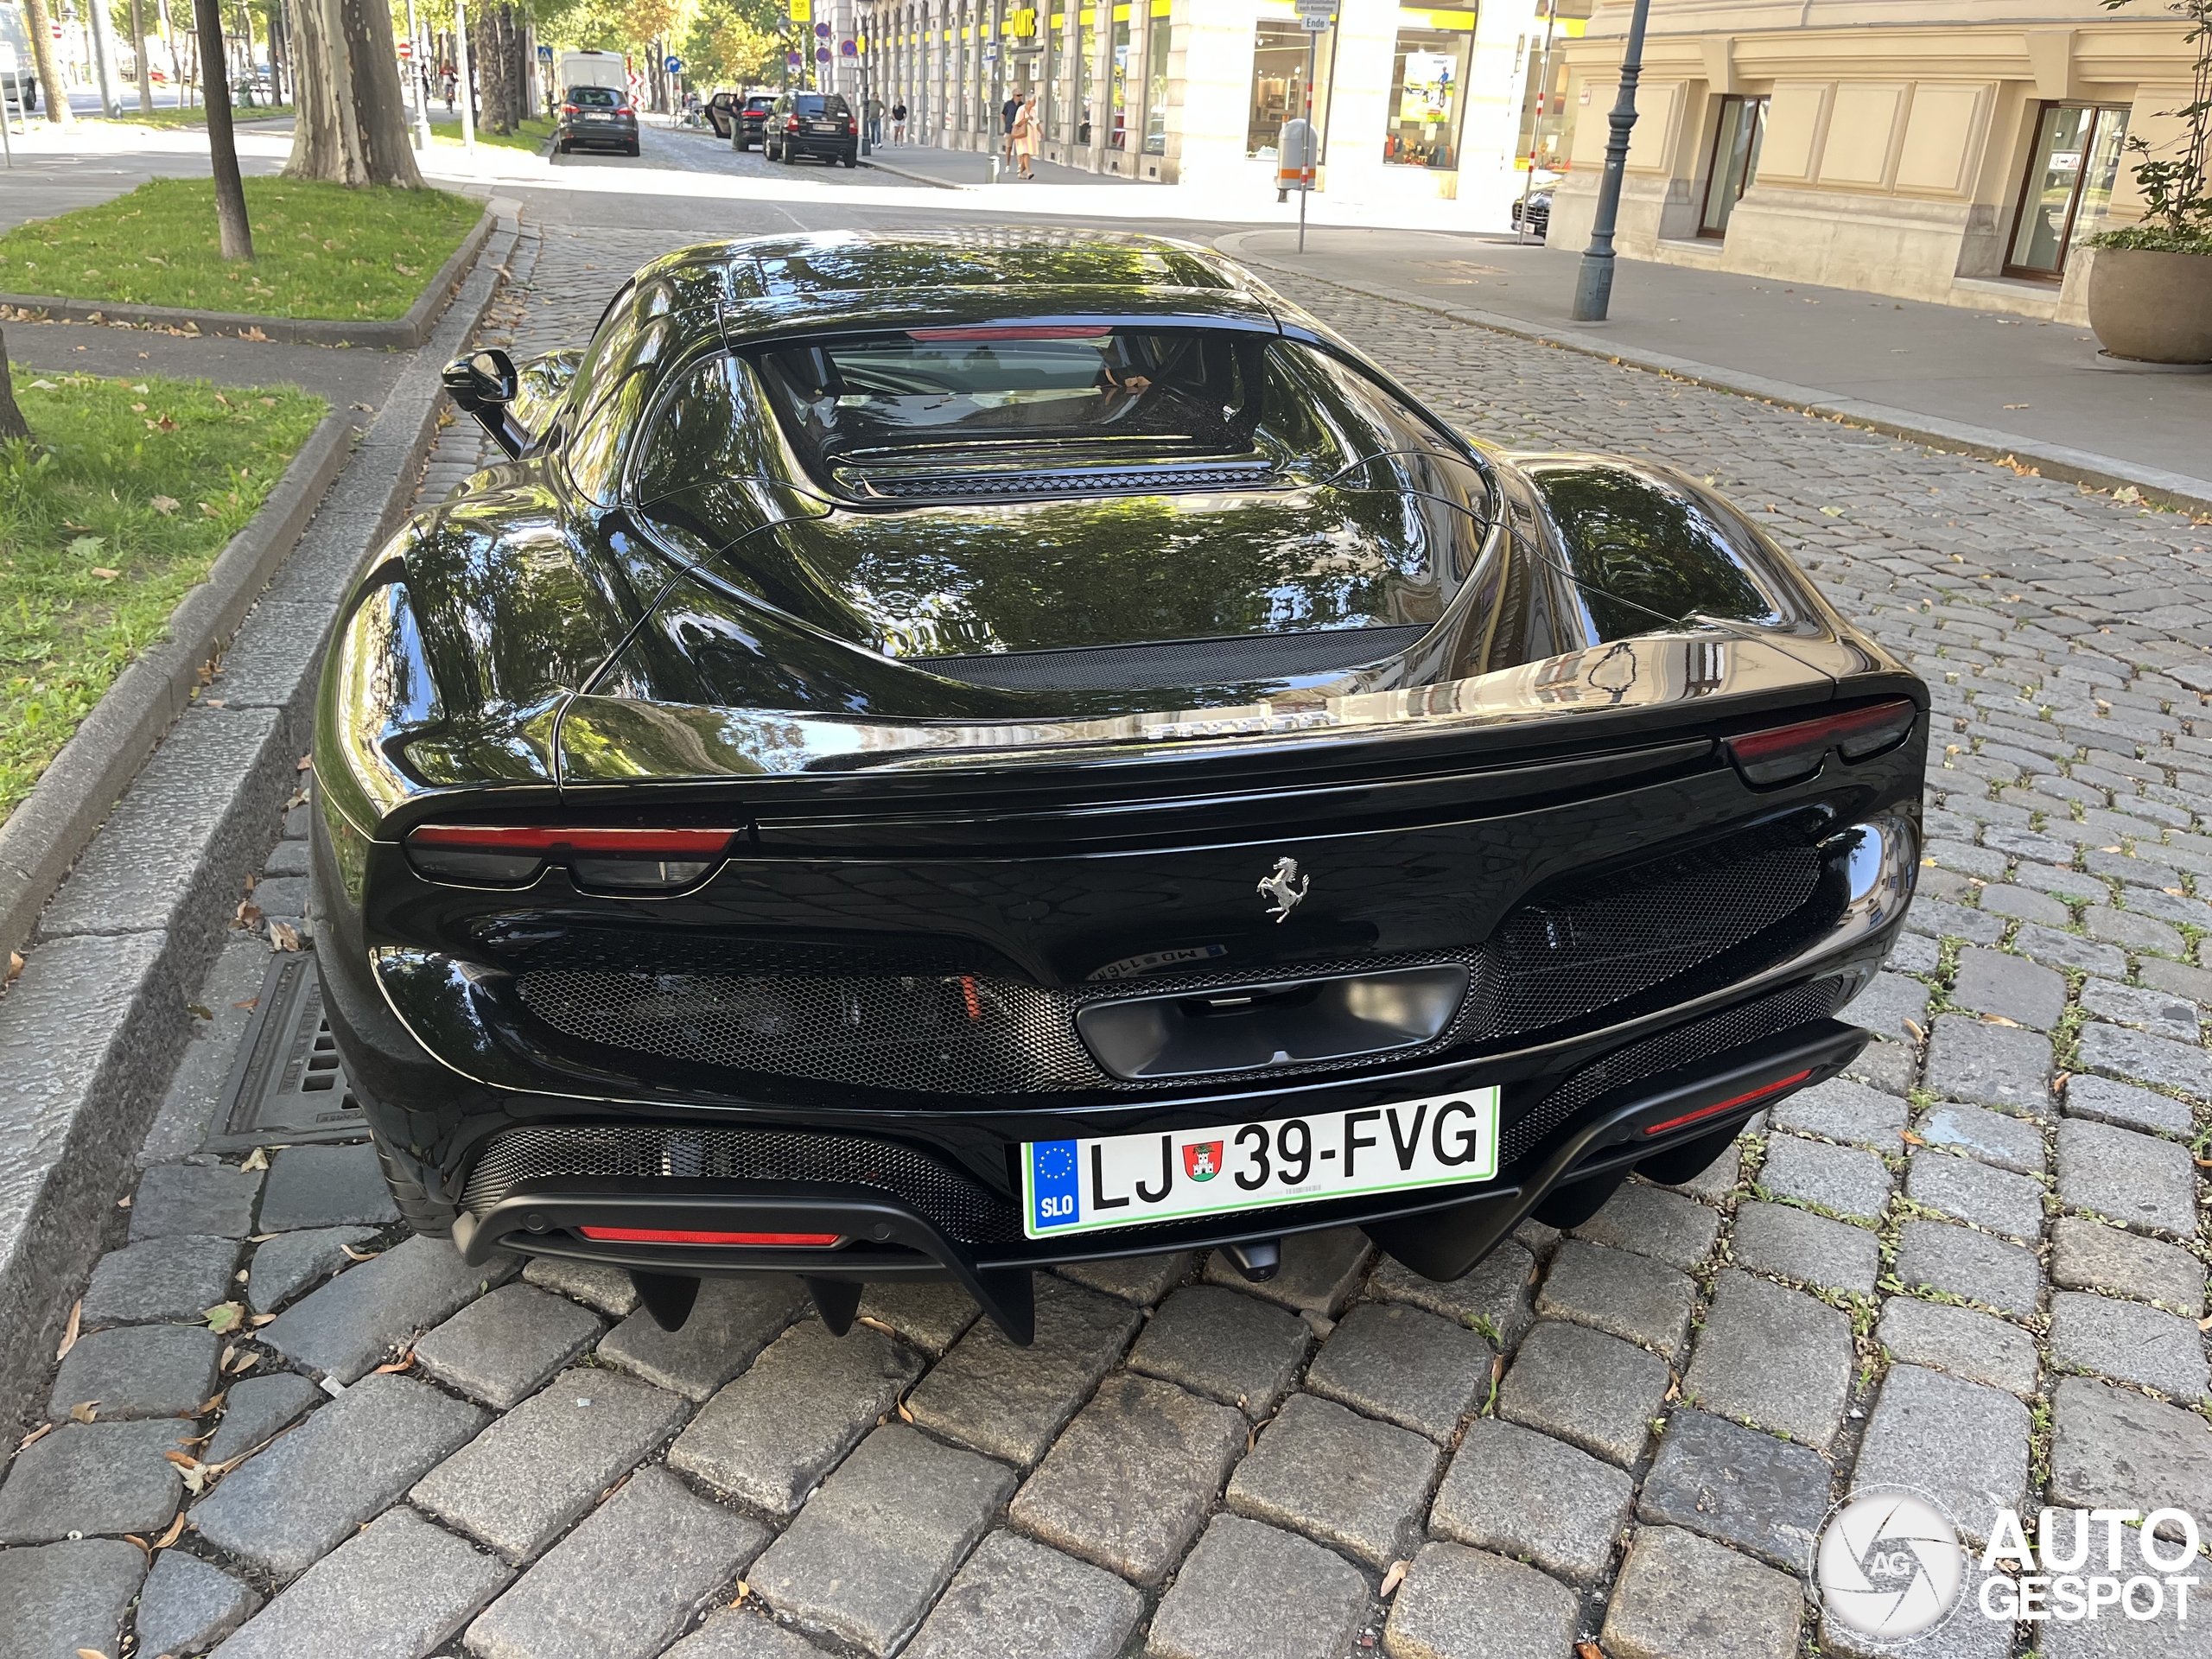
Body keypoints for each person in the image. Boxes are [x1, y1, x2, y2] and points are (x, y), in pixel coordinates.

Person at [1011, 90, 1039, 179]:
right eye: (1034, 100)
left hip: (1031, 136)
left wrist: (1041, 132)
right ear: (1030, 101)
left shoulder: (1033, 111)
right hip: (1022, 135)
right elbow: (1017, 123)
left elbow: (1036, 123)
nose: (1035, 102)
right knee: (1025, 153)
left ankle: (1020, 172)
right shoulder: (1021, 109)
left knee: (1026, 154)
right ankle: (1029, 172)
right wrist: (1027, 119)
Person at [1002, 92, 1020, 162]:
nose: (1020, 97)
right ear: (1014, 96)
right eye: (1018, 95)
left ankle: (1020, 165)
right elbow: (1003, 115)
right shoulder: (1008, 104)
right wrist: (1007, 123)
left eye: (1021, 95)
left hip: (1019, 130)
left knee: (1020, 148)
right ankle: (1008, 164)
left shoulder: (1022, 105)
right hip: (1009, 129)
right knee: (1009, 147)